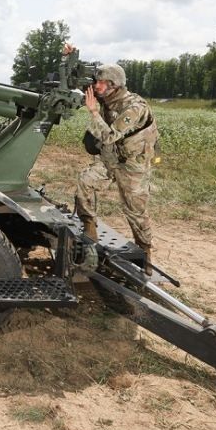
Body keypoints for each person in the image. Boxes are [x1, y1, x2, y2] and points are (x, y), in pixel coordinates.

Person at [68, 48, 159, 274]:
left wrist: (93, 113)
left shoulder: (135, 107)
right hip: (111, 158)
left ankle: (145, 251)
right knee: (85, 182)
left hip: (133, 163)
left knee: (135, 210)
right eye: (96, 81)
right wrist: (69, 57)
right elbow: (77, 78)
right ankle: (90, 231)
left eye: (100, 83)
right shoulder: (105, 95)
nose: (95, 86)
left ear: (114, 85)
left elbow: (109, 136)